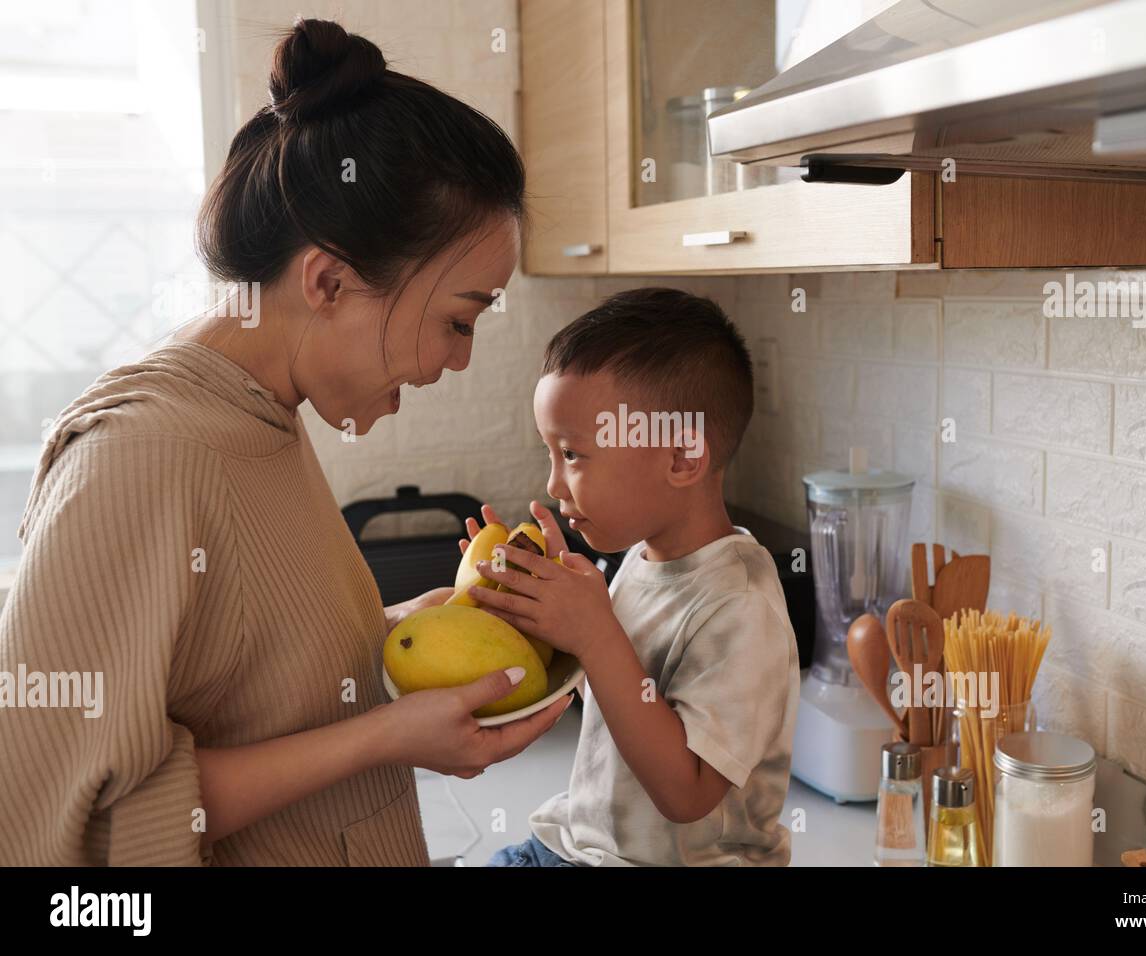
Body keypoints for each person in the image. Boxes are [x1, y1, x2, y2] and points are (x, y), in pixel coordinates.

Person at [0, 18, 568, 867]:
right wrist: (381, 738)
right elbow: (67, 823)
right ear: (329, 279)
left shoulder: (260, 416)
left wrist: (404, 629)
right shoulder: (141, 458)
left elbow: (242, 681)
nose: (459, 359)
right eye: (459, 319)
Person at [474, 288, 801, 866]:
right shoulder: (642, 556)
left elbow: (687, 793)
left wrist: (595, 631)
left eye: (573, 455)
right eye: (551, 453)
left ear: (681, 458)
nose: (553, 483)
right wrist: (539, 610)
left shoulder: (740, 605)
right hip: (581, 846)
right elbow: (615, 685)